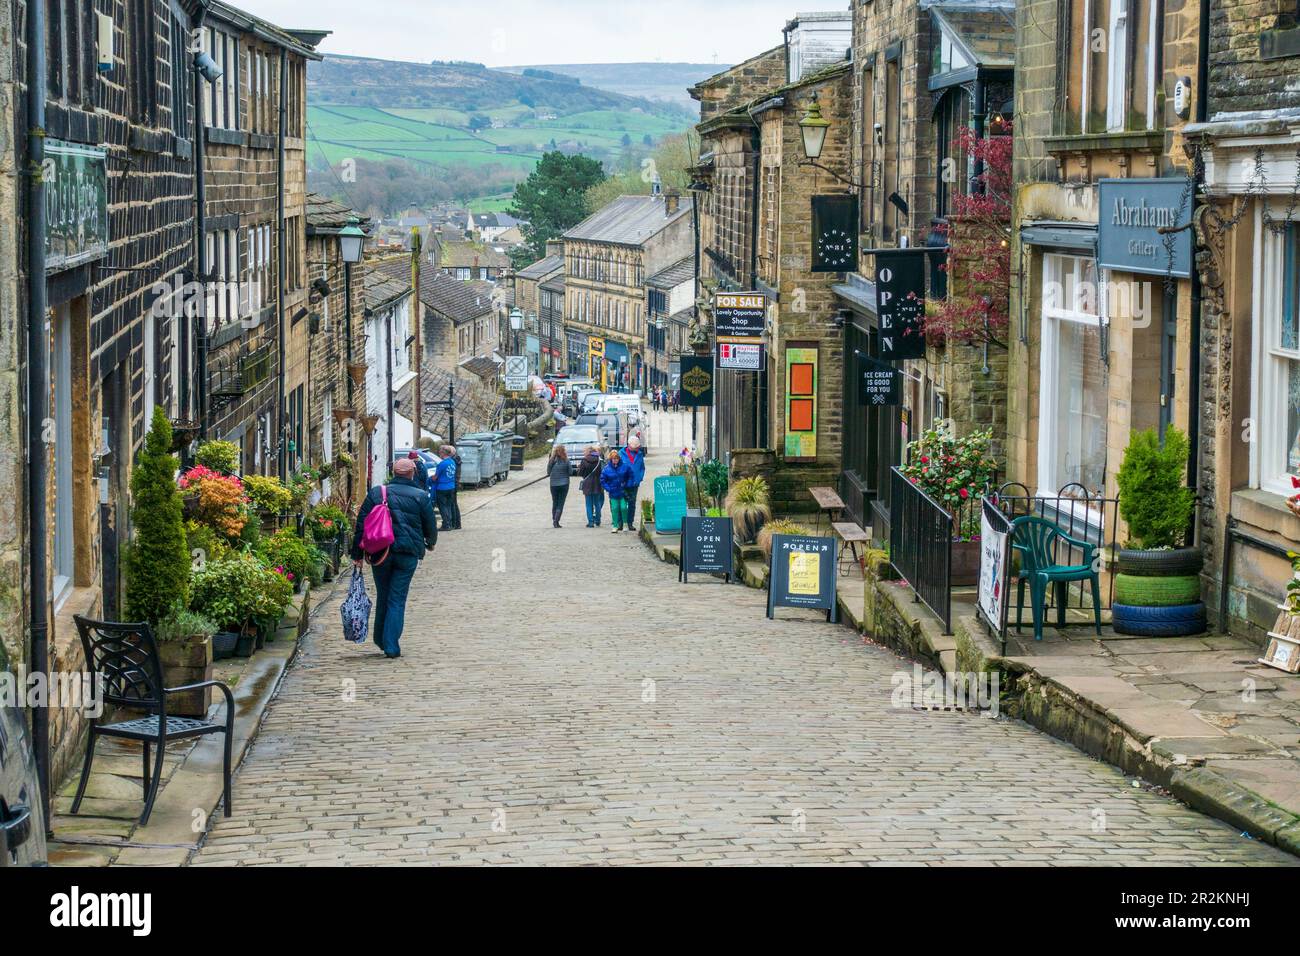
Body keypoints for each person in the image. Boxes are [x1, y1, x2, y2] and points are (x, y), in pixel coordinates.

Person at [351, 457, 436, 659]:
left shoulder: (377, 493)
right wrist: (430, 542)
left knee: (384, 594)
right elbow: (430, 525)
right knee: (397, 598)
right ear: (412, 473)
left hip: (381, 552)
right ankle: (390, 645)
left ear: (394, 473)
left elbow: (361, 524)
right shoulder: (421, 496)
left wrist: (357, 554)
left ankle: (381, 639)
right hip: (407, 554)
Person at [600, 448, 633, 534]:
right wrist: (608, 488)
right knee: (614, 508)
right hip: (613, 492)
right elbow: (603, 480)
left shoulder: (625, 466)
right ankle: (615, 525)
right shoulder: (606, 469)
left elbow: (630, 476)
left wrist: (628, 484)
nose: (615, 460)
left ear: (619, 458)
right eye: (613, 459)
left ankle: (625, 523)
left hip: (622, 491)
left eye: (616, 458)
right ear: (611, 459)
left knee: (623, 507)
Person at [619, 435, 646, 533]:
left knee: (632, 503)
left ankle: (630, 523)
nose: (636, 449)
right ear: (629, 446)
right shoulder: (621, 454)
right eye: (635, 447)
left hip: (634, 484)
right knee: (622, 504)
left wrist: (640, 477)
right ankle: (620, 523)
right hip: (623, 483)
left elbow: (642, 468)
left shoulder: (639, 454)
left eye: (637, 447)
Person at [431, 445, 458, 531]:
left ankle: (446, 525)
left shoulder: (442, 464)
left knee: (442, 507)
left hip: (442, 488)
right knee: (449, 506)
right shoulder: (452, 462)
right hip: (452, 486)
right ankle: (449, 523)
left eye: (440, 452)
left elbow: (435, 477)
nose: (439, 454)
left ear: (443, 453)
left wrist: (430, 478)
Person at [577, 445, 605, 527]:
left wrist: (580, 468)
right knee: (597, 503)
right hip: (597, 483)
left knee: (588, 503)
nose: (583, 453)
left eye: (584, 451)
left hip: (587, 484)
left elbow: (580, 473)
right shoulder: (599, 460)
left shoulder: (584, 460)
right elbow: (602, 471)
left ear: (588, 452)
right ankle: (598, 520)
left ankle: (591, 522)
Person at [548, 443, 571, 528]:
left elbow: (548, 472)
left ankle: (554, 519)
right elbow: (570, 472)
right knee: (561, 503)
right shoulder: (566, 460)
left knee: (555, 502)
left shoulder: (551, 460)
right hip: (564, 484)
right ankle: (556, 521)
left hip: (553, 484)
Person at [447, 444, 463, 529]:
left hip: (453, 484)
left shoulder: (453, 461)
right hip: (455, 483)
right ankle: (457, 523)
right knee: (454, 504)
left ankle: (455, 523)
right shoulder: (456, 460)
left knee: (453, 504)